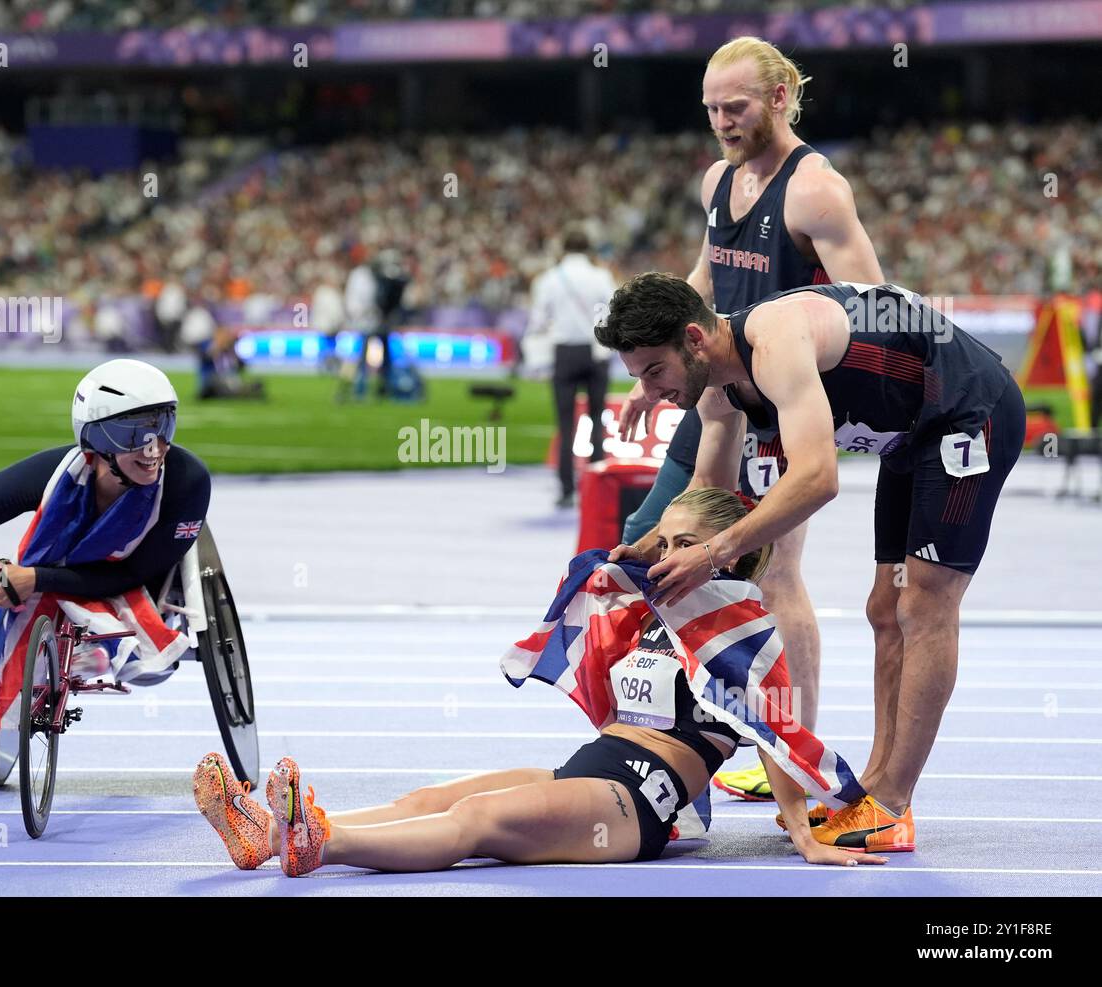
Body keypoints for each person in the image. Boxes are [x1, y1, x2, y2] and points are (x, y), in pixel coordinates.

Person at [193, 487, 884, 874]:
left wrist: (801, 829)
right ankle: (270, 829)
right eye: (659, 540)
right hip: (593, 767)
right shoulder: (656, 608)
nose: (660, 553)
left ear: (721, 552)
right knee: (429, 795)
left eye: (678, 543)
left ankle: (320, 842)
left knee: (476, 822)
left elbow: (771, 728)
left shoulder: (742, 628)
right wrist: (641, 553)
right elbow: (589, 577)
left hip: (635, 800)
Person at [595, 273, 1026, 853]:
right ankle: (874, 788)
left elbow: (818, 479)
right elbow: (709, 490)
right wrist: (652, 546)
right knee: (884, 608)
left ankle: (893, 805)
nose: (652, 390)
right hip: (909, 437)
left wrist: (716, 552)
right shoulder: (718, 388)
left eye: (654, 373)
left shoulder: (775, 344)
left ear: (694, 340)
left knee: (924, 604)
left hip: (969, 411)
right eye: (638, 377)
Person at [616, 36, 885, 801]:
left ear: (779, 97)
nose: (722, 123)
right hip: (715, 393)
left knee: (778, 575)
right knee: (653, 536)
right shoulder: (717, 181)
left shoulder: (815, 192)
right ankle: (683, 728)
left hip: (784, 401)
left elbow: (876, 310)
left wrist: (816, 409)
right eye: (710, 110)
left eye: (735, 107)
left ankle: (793, 752)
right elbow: (703, 281)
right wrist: (654, 368)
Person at [0, 359, 212, 688]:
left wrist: (33, 578)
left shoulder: (188, 482)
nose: (155, 448)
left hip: (141, 580)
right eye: (135, 434)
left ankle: (105, 641)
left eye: (164, 427)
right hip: (64, 574)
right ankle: (81, 643)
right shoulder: (51, 473)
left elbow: (131, 576)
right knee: (11, 586)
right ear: (98, 439)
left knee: (150, 674)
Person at [527, 223, 618, 508]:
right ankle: (597, 487)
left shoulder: (550, 279)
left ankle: (567, 489)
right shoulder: (600, 276)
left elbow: (539, 320)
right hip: (595, 350)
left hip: (565, 352)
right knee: (596, 420)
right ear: (587, 248)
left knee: (565, 424)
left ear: (563, 248)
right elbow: (614, 310)